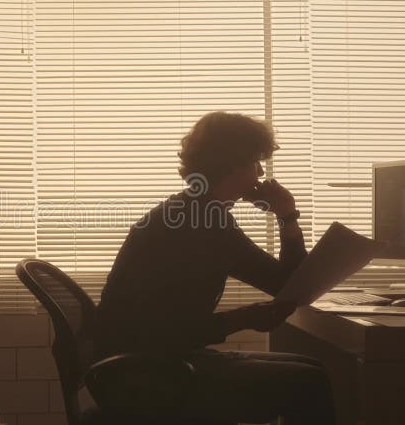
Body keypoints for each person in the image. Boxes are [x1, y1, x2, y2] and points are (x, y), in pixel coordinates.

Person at [94, 111, 335, 425]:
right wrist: (244, 318)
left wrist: (287, 219)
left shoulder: (197, 213)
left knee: (311, 368)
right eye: (254, 162)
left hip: (146, 363)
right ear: (231, 164)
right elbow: (164, 329)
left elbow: (284, 284)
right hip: (150, 373)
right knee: (309, 382)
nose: (261, 171)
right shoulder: (199, 223)